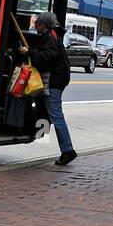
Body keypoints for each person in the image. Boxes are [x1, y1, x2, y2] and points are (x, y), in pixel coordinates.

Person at [21, 11, 75, 165]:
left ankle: (68, 150)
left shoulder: (49, 38)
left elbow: (45, 59)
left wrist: (29, 52)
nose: (35, 25)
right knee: (53, 114)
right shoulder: (52, 35)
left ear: (43, 25)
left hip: (53, 82)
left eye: (37, 23)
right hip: (56, 81)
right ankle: (38, 133)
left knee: (56, 116)